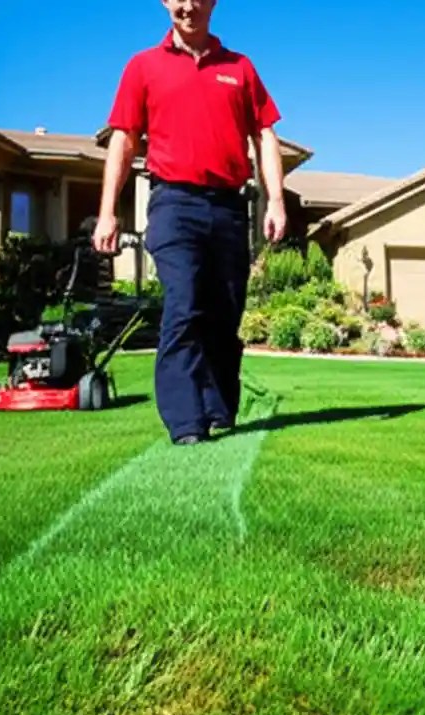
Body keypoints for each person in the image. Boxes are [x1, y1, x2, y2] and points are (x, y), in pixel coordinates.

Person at [93, 0, 287, 445]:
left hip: (229, 207)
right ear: (165, 2)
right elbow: (124, 140)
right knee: (184, 304)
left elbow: (264, 135)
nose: (187, 6)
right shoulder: (143, 66)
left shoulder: (239, 68)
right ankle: (185, 421)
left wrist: (276, 201)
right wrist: (107, 211)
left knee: (225, 311)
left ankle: (218, 407)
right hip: (173, 203)